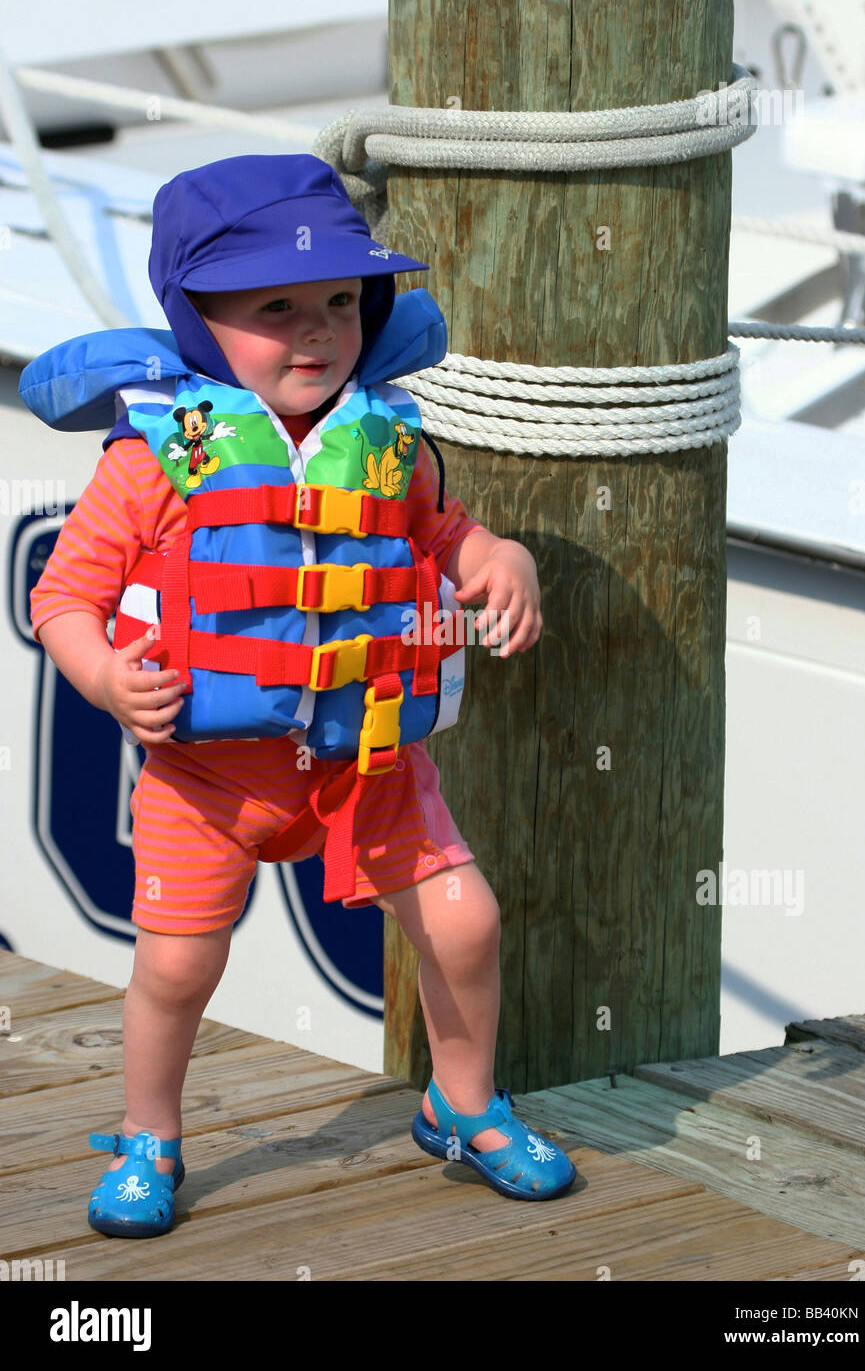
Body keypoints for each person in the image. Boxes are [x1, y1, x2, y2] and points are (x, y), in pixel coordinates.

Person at [27, 154, 576, 1237]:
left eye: (340, 301)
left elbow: (438, 535)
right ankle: (150, 1135)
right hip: (207, 776)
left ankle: (462, 1103)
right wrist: (102, 676)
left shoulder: (390, 444)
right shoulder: (157, 458)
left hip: (370, 757)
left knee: (466, 923)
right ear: (196, 316)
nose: (319, 329)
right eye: (277, 306)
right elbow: (64, 597)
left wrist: (499, 552)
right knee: (179, 966)